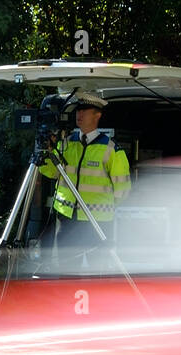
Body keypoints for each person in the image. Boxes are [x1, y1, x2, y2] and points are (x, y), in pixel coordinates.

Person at [38, 91, 131, 253]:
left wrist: (101, 207)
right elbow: (51, 172)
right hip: (67, 218)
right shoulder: (66, 144)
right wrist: (46, 150)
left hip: (97, 221)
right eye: (78, 110)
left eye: (84, 111)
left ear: (97, 115)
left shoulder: (112, 150)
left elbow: (122, 190)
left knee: (95, 272)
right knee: (66, 271)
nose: (79, 114)